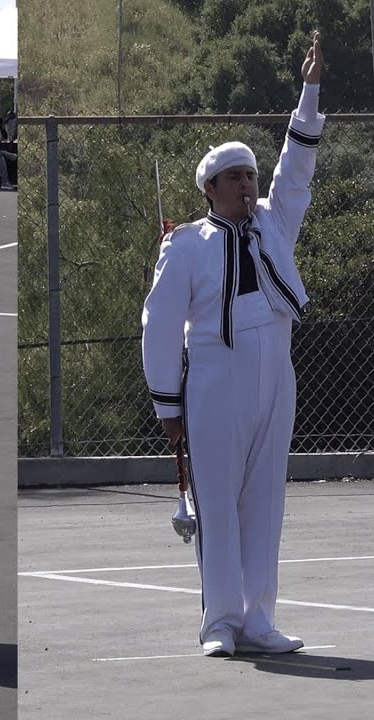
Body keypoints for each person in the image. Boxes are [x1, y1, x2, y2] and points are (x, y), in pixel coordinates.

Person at [141, 31, 324, 658]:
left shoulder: (274, 225)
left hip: (276, 371)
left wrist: (309, 93)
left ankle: (259, 620)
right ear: (210, 188)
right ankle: (219, 623)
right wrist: (167, 404)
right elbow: (159, 323)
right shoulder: (186, 244)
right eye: (235, 177)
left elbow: (296, 173)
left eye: (250, 174)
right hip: (215, 378)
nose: (248, 184)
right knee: (217, 502)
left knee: (266, 500)